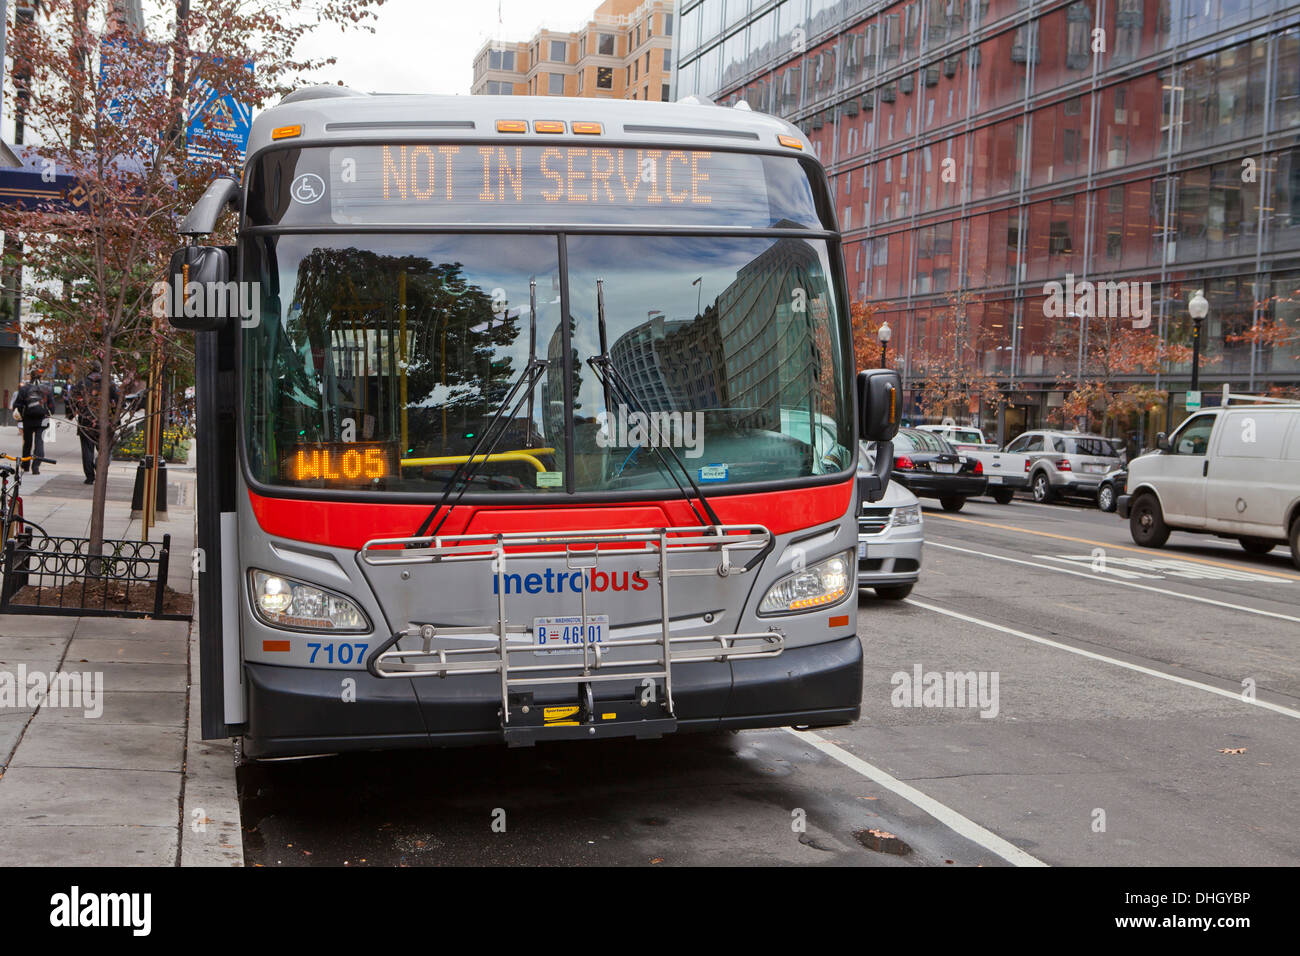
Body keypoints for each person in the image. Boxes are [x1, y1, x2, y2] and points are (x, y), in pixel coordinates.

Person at [67, 361, 119, 484]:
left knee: (87, 449)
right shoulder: (109, 383)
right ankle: (100, 464)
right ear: (100, 369)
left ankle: (90, 477)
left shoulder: (81, 383)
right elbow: (117, 401)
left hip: (86, 420)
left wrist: (71, 413)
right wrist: (116, 420)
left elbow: (72, 400)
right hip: (105, 420)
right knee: (106, 447)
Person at [11, 370, 53, 474]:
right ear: (40, 377)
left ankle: (25, 465)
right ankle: (36, 467)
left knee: (27, 443)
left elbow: (18, 405)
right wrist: (48, 413)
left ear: (31, 377)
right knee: (39, 442)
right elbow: (52, 406)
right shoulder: (46, 389)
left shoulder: (24, 389)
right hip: (43, 419)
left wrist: (20, 416)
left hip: (28, 419)